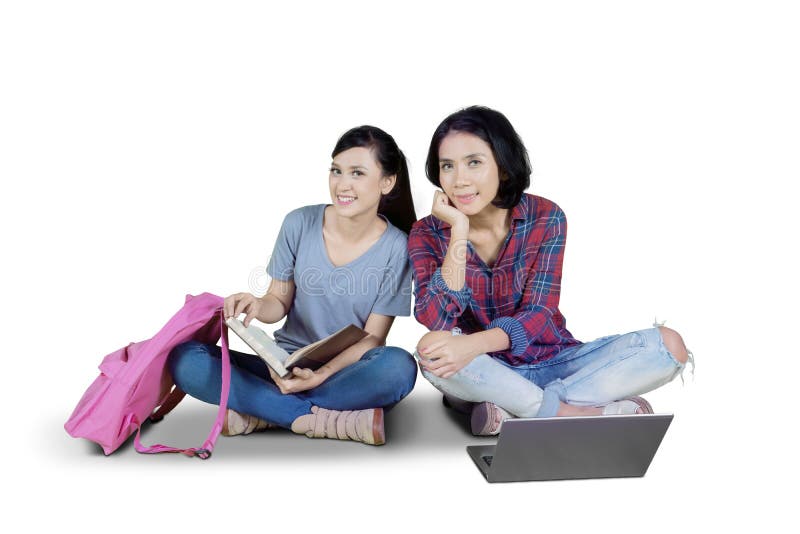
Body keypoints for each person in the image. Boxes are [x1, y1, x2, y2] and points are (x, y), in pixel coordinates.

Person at [408, 106, 694, 436]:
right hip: (487, 368)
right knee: (431, 348)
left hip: (556, 360)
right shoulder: (427, 233)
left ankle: (519, 407)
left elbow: (539, 311)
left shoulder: (546, 217)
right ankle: (576, 412)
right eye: (448, 166)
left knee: (669, 345)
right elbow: (437, 319)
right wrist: (457, 230)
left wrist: (474, 345)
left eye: (474, 162)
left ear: (502, 167)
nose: (459, 180)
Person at [168, 125, 418, 445]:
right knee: (186, 359)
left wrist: (320, 375)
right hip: (281, 368)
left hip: (345, 373)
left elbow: (372, 339)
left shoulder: (398, 247)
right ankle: (319, 419)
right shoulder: (299, 223)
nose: (342, 184)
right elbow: (278, 302)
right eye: (336, 171)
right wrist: (257, 305)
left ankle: (264, 410)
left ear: (387, 181)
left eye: (357, 173)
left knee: (398, 368)